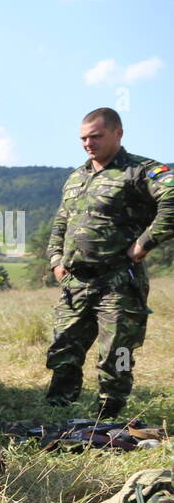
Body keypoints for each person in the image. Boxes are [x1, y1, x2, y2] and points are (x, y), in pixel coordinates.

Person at [45, 107, 174, 418]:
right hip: (75, 282)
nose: (89, 143)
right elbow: (62, 220)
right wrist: (55, 259)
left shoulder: (141, 171)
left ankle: (109, 416)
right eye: (83, 138)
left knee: (117, 353)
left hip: (119, 280)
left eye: (96, 136)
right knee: (63, 350)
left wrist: (145, 242)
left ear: (118, 133)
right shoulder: (77, 177)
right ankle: (58, 410)